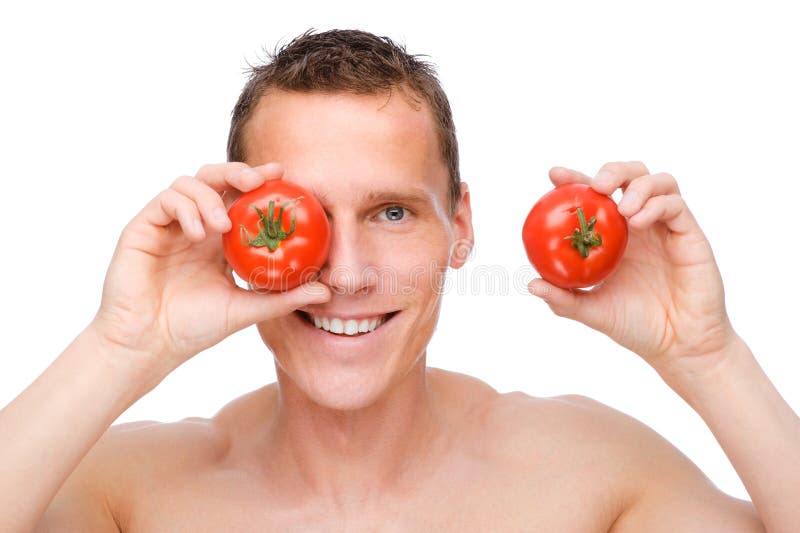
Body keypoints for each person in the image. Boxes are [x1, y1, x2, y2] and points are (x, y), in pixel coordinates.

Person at [1, 28, 796, 532]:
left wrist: (709, 356)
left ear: (462, 227)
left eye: (390, 213)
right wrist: (118, 345)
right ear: (237, 232)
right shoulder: (129, 494)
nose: (345, 274)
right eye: (301, 217)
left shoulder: (587, 475)